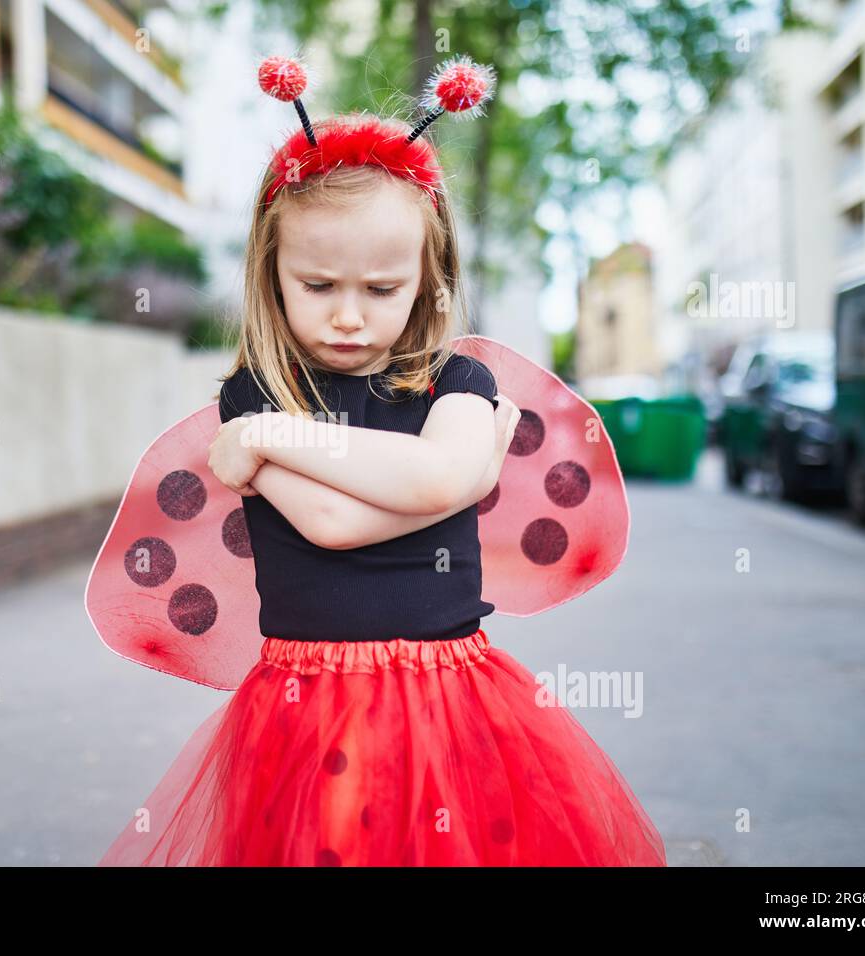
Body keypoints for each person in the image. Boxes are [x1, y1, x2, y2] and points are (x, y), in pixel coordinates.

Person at [94, 55, 666, 866]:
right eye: (319, 284)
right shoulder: (260, 391)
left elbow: (430, 478)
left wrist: (275, 442)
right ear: (272, 275)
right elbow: (335, 522)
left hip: (450, 692)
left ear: (428, 284)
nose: (351, 317)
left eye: (383, 288)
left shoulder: (454, 381)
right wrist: (465, 474)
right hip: (307, 699)